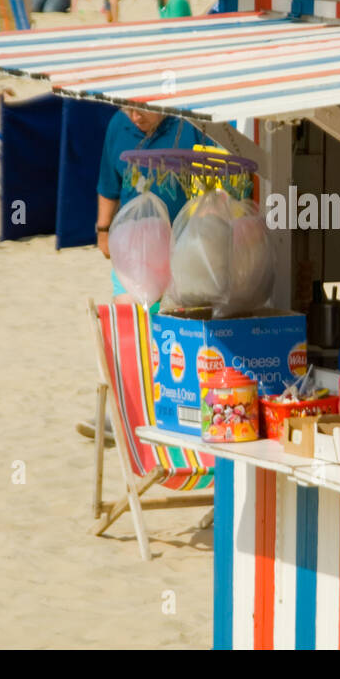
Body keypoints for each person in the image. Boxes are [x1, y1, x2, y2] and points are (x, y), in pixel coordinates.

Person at [78, 105, 207, 440]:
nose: (135, 116)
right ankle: (121, 413)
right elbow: (109, 183)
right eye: (127, 108)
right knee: (128, 326)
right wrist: (103, 229)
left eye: (142, 109)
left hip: (181, 246)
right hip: (133, 245)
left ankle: (173, 409)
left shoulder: (189, 126)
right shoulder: (118, 126)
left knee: (172, 328)